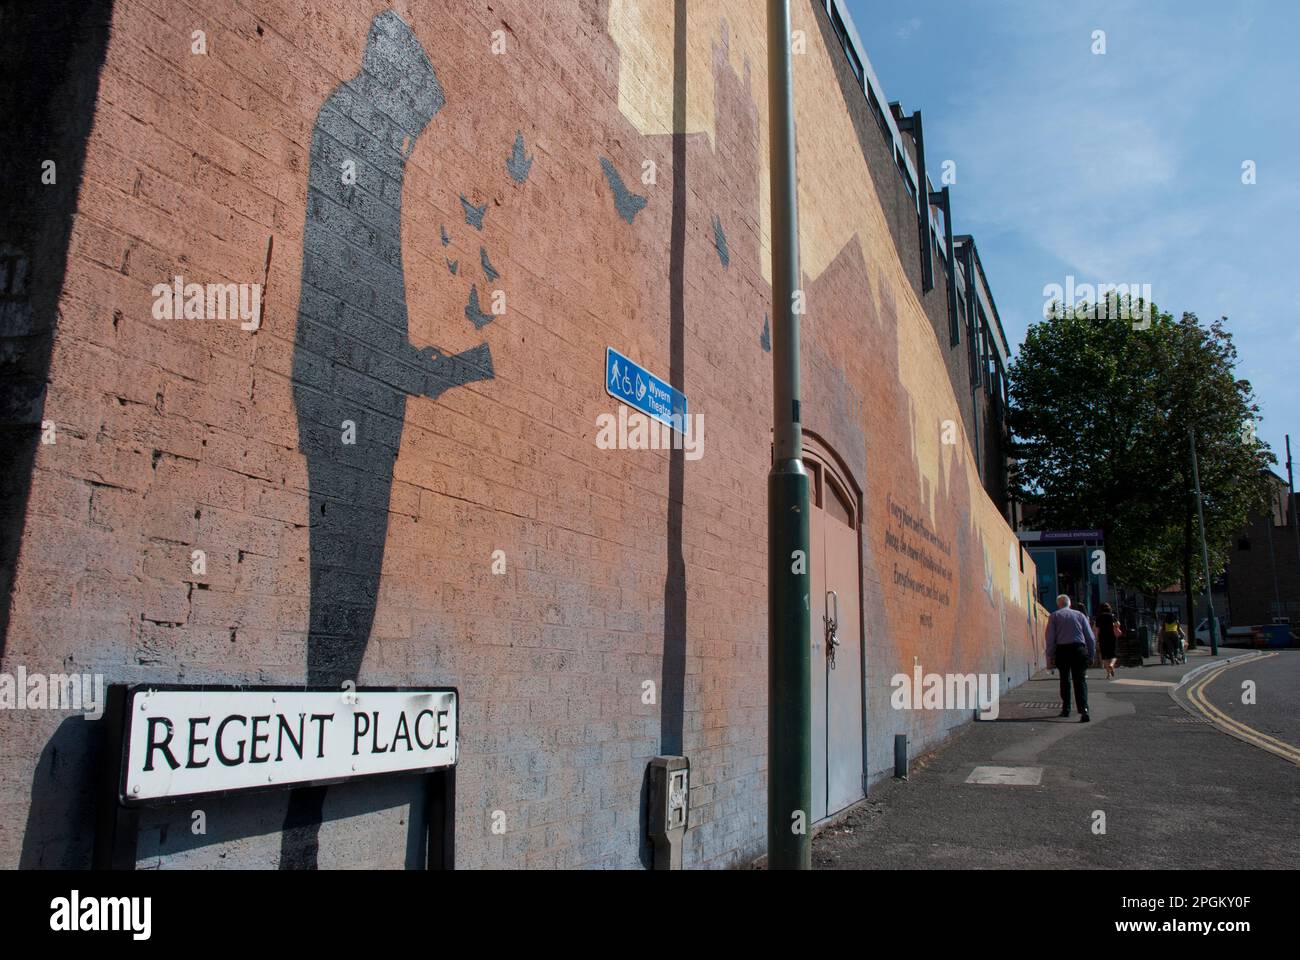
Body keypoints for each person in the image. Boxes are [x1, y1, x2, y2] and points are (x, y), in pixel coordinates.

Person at [1046, 594, 1096, 721]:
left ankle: (1066, 709)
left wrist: (1050, 655)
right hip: (1079, 650)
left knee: (1064, 679)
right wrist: (1091, 654)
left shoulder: (1054, 616)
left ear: (1058, 604)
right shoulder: (1080, 615)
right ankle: (1084, 709)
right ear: (1070, 604)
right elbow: (1090, 637)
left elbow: (1050, 638)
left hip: (1062, 651)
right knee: (1080, 680)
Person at [1095, 602, 1119, 679]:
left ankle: (1108, 674)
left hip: (1102, 638)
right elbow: (1118, 624)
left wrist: (1097, 639)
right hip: (1111, 637)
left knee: (1105, 656)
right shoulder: (1112, 616)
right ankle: (1112, 665)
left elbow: (1097, 629)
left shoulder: (1099, 618)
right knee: (1113, 655)